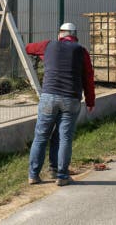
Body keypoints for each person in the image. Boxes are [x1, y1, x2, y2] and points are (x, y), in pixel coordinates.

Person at [26, 22, 95, 186]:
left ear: (60, 34)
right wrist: (90, 101)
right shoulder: (81, 51)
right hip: (71, 99)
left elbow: (28, 48)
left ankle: (33, 175)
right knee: (64, 138)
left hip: (49, 97)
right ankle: (62, 176)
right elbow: (88, 77)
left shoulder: (48, 45)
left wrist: (45, 56)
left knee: (41, 137)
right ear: (74, 36)